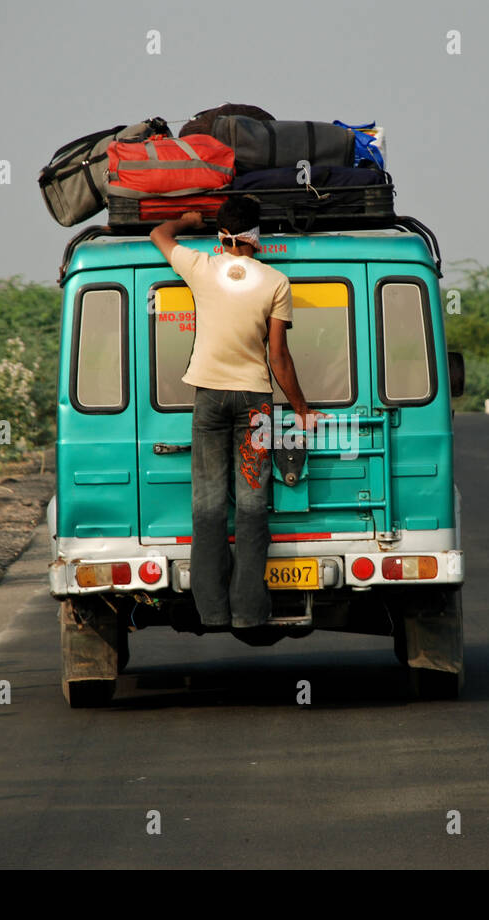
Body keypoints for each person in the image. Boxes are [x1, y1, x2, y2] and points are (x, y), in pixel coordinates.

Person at [149, 198, 321, 630]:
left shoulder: (200, 267)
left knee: (207, 505)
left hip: (208, 397)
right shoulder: (276, 282)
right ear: (256, 235)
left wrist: (185, 221)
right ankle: (247, 611)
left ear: (220, 235)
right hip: (255, 403)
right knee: (251, 504)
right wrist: (301, 409)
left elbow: (159, 235)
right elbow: (278, 356)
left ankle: (210, 610)